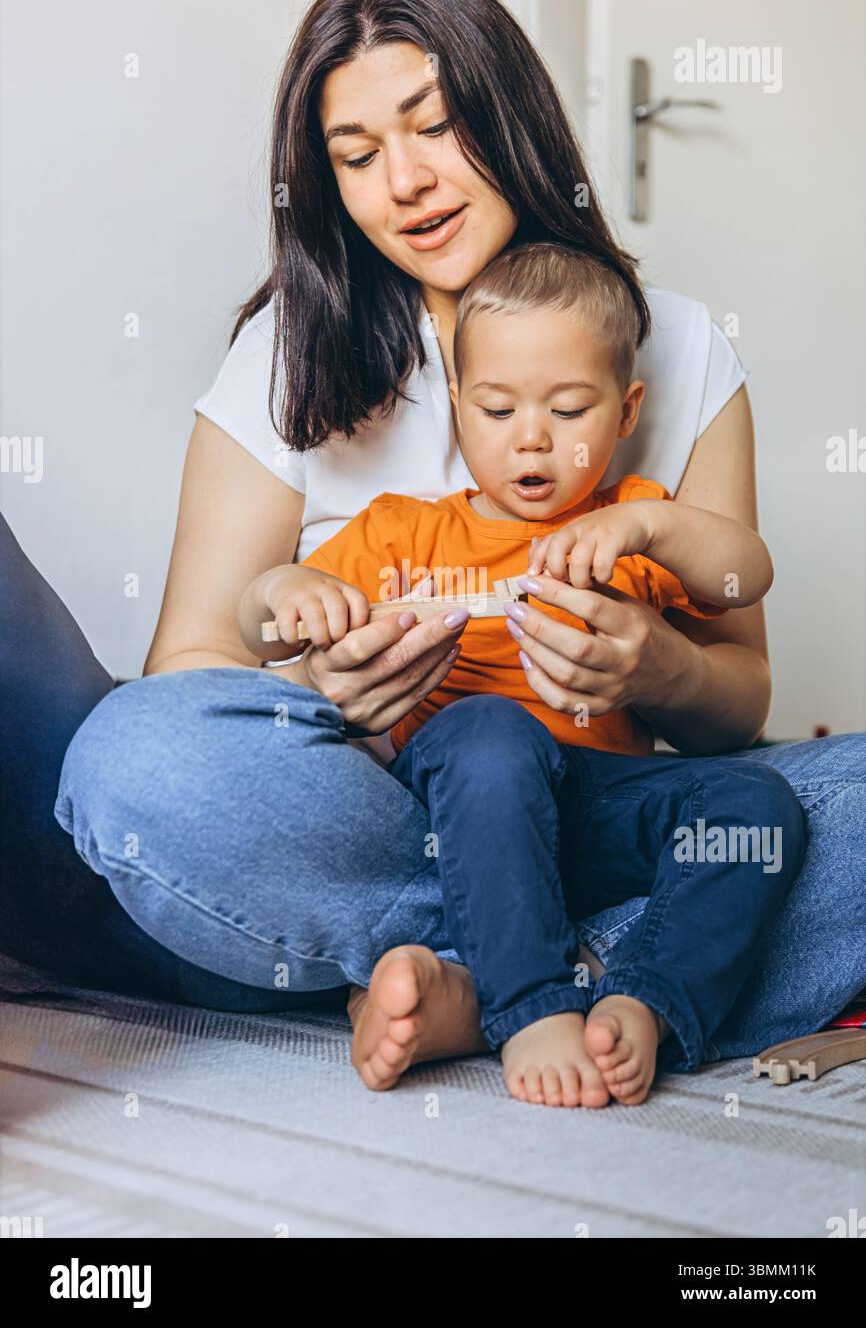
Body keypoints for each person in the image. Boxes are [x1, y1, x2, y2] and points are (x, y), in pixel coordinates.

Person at [3, 0, 861, 1094]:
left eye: (434, 126)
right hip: (372, 811)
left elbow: (732, 708)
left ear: (507, 116)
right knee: (136, 759)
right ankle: (566, 965)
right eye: (357, 156)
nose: (403, 181)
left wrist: (653, 664)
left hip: (604, 810)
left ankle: (491, 977)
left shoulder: (681, 347)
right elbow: (192, 671)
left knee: (808, 806)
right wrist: (327, 698)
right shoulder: (289, 357)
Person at [237, 242, 806, 1106]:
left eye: (570, 409)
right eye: (498, 409)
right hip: (454, 810)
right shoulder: (409, 532)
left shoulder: (624, 524)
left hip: (597, 802)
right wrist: (289, 588)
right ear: (460, 410)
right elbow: (255, 630)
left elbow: (748, 573)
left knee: (758, 804)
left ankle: (643, 1000)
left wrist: (653, 528)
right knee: (492, 733)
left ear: (625, 411)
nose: (533, 438)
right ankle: (532, 1003)